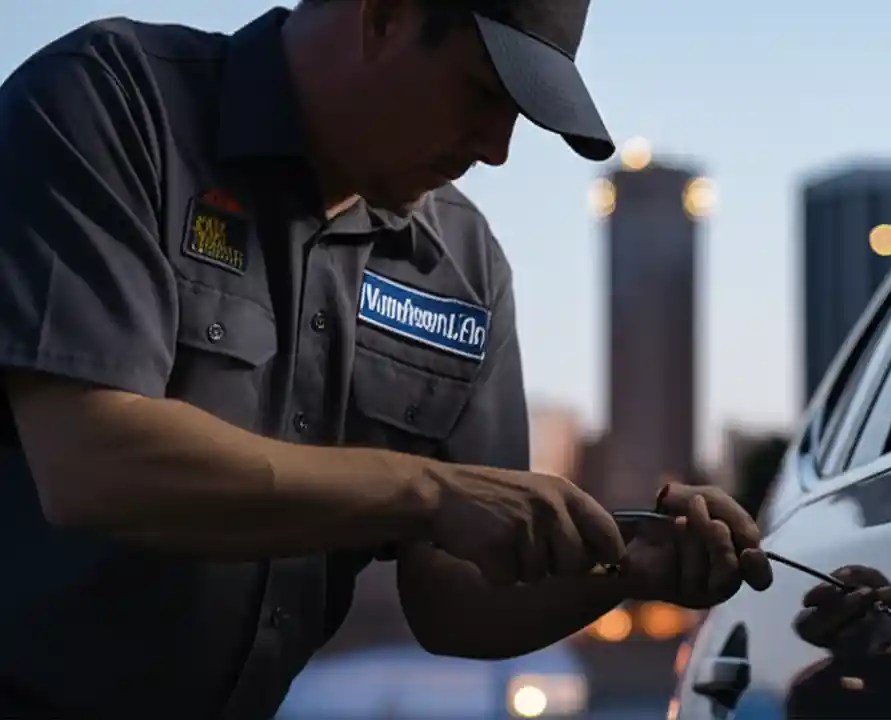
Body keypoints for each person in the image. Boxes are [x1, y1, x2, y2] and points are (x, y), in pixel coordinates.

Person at [0, 1, 773, 718]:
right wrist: (430, 491)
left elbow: (453, 603)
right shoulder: (114, 106)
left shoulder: (464, 267)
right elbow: (92, 465)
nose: (497, 151)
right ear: (383, 17)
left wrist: (627, 568)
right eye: (482, 92)